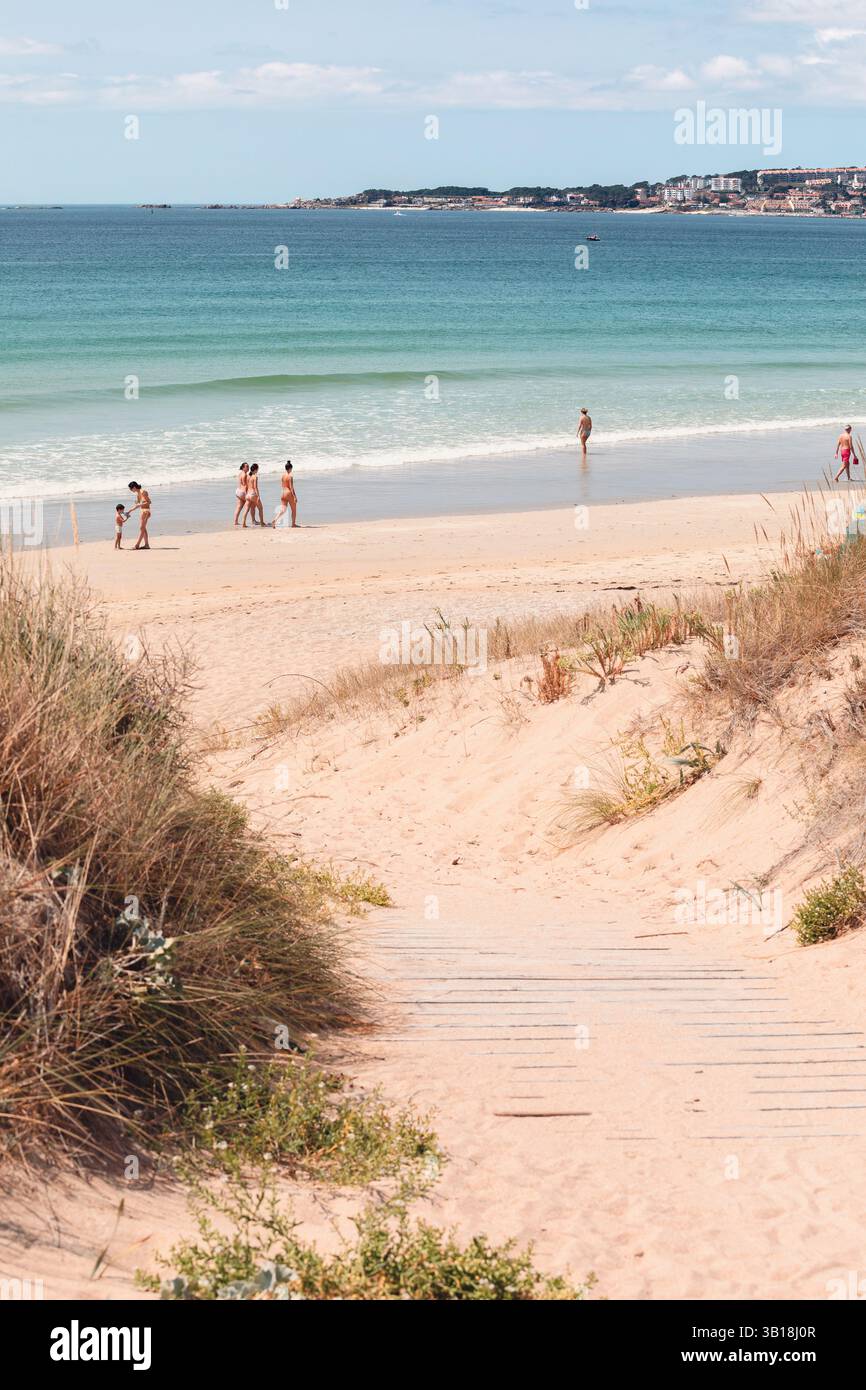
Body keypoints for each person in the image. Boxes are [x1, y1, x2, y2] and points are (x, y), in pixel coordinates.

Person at [272, 461, 298, 528]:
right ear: (290, 468)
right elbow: (291, 488)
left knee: (283, 510)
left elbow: (282, 485)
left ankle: (275, 519)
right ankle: (293, 524)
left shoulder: (283, 476)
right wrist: (294, 496)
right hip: (288, 493)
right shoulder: (290, 476)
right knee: (294, 510)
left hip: (283, 493)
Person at [126, 482, 152, 549]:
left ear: (134, 487)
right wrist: (129, 511)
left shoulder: (143, 492)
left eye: (131, 489)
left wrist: (140, 504)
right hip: (142, 511)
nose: (131, 490)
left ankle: (137, 545)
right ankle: (146, 545)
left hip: (146, 511)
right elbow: (137, 505)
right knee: (143, 528)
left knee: (142, 528)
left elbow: (149, 502)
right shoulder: (138, 494)